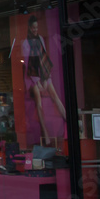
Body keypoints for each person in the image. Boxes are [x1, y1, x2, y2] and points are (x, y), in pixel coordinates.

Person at [21, 15, 66, 143]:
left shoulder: (40, 39)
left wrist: (46, 78)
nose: (35, 29)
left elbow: (44, 59)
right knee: (39, 102)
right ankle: (45, 134)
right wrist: (37, 82)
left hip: (42, 73)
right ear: (29, 28)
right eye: (33, 27)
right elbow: (28, 65)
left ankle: (68, 120)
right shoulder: (25, 43)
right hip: (31, 76)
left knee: (54, 95)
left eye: (37, 27)